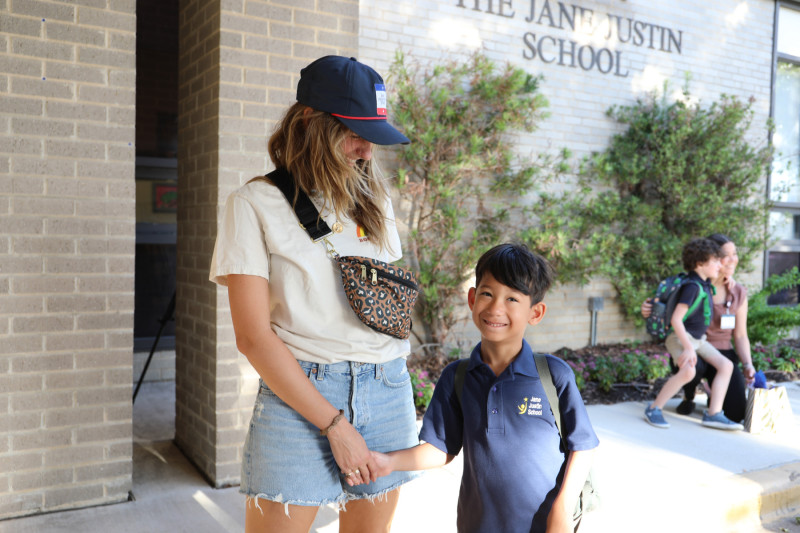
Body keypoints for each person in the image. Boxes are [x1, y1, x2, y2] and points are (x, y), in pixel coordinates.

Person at [209, 56, 419, 533]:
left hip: (387, 388)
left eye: (373, 135)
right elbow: (253, 337)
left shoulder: (375, 200)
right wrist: (334, 425)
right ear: (309, 122)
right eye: (354, 133)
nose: (366, 149)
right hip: (300, 399)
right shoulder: (254, 204)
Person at [369, 243, 599, 533]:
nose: (495, 308)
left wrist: (562, 510)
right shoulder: (457, 377)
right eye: (487, 294)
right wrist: (388, 462)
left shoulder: (553, 375)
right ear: (472, 298)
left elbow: (583, 446)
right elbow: (441, 449)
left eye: (512, 298)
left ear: (536, 312)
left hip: (546, 526)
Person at [641, 234, 756, 422]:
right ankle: (672, 401)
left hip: (708, 345)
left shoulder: (730, 289)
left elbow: (741, 335)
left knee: (734, 403)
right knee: (691, 368)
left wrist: (748, 364)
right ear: (704, 261)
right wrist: (648, 308)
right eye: (722, 257)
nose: (731, 260)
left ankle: (714, 411)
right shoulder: (694, 286)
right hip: (688, 342)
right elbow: (672, 314)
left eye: (734, 254)